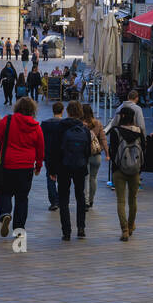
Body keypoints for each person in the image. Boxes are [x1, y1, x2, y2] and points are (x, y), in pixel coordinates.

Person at [0, 97, 45, 238]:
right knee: (22, 198)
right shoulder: (36, 127)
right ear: (32, 110)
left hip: (8, 165)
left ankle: (5, 213)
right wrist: (38, 166)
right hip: (27, 167)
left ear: (17, 108)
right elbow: (41, 149)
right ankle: (19, 229)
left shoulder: (7, 121)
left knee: (4, 192)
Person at [51, 102, 92, 240]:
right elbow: (88, 151)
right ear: (80, 112)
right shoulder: (85, 129)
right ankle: (81, 228)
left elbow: (55, 149)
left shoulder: (60, 127)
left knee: (63, 199)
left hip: (64, 167)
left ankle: (66, 231)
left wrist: (52, 169)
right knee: (80, 196)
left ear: (67, 112)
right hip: (80, 166)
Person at [108, 107, 144, 241]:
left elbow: (112, 152)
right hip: (135, 170)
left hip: (119, 170)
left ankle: (124, 230)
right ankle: (131, 225)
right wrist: (139, 168)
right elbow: (144, 150)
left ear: (122, 116)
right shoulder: (139, 131)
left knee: (121, 201)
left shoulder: (115, 131)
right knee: (133, 200)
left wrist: (116, 165)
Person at [40, 101, 69, 212]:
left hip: (49, 154)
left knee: (50, 178)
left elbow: (41, 141)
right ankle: (61, 200)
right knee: (63, 179)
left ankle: (53, 202)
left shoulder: (45, 124)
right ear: (62, 111)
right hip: (62, 155)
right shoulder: (65, 124)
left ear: (53, 110)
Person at [81, 102, 107, 209]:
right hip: (96, 155)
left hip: (84, 154)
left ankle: (86, 201)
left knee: (85, 178)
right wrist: (107, 153)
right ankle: (91, 200)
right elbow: (103, 139)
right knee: (93, 178)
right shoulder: (98, 123)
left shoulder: (80, 124)